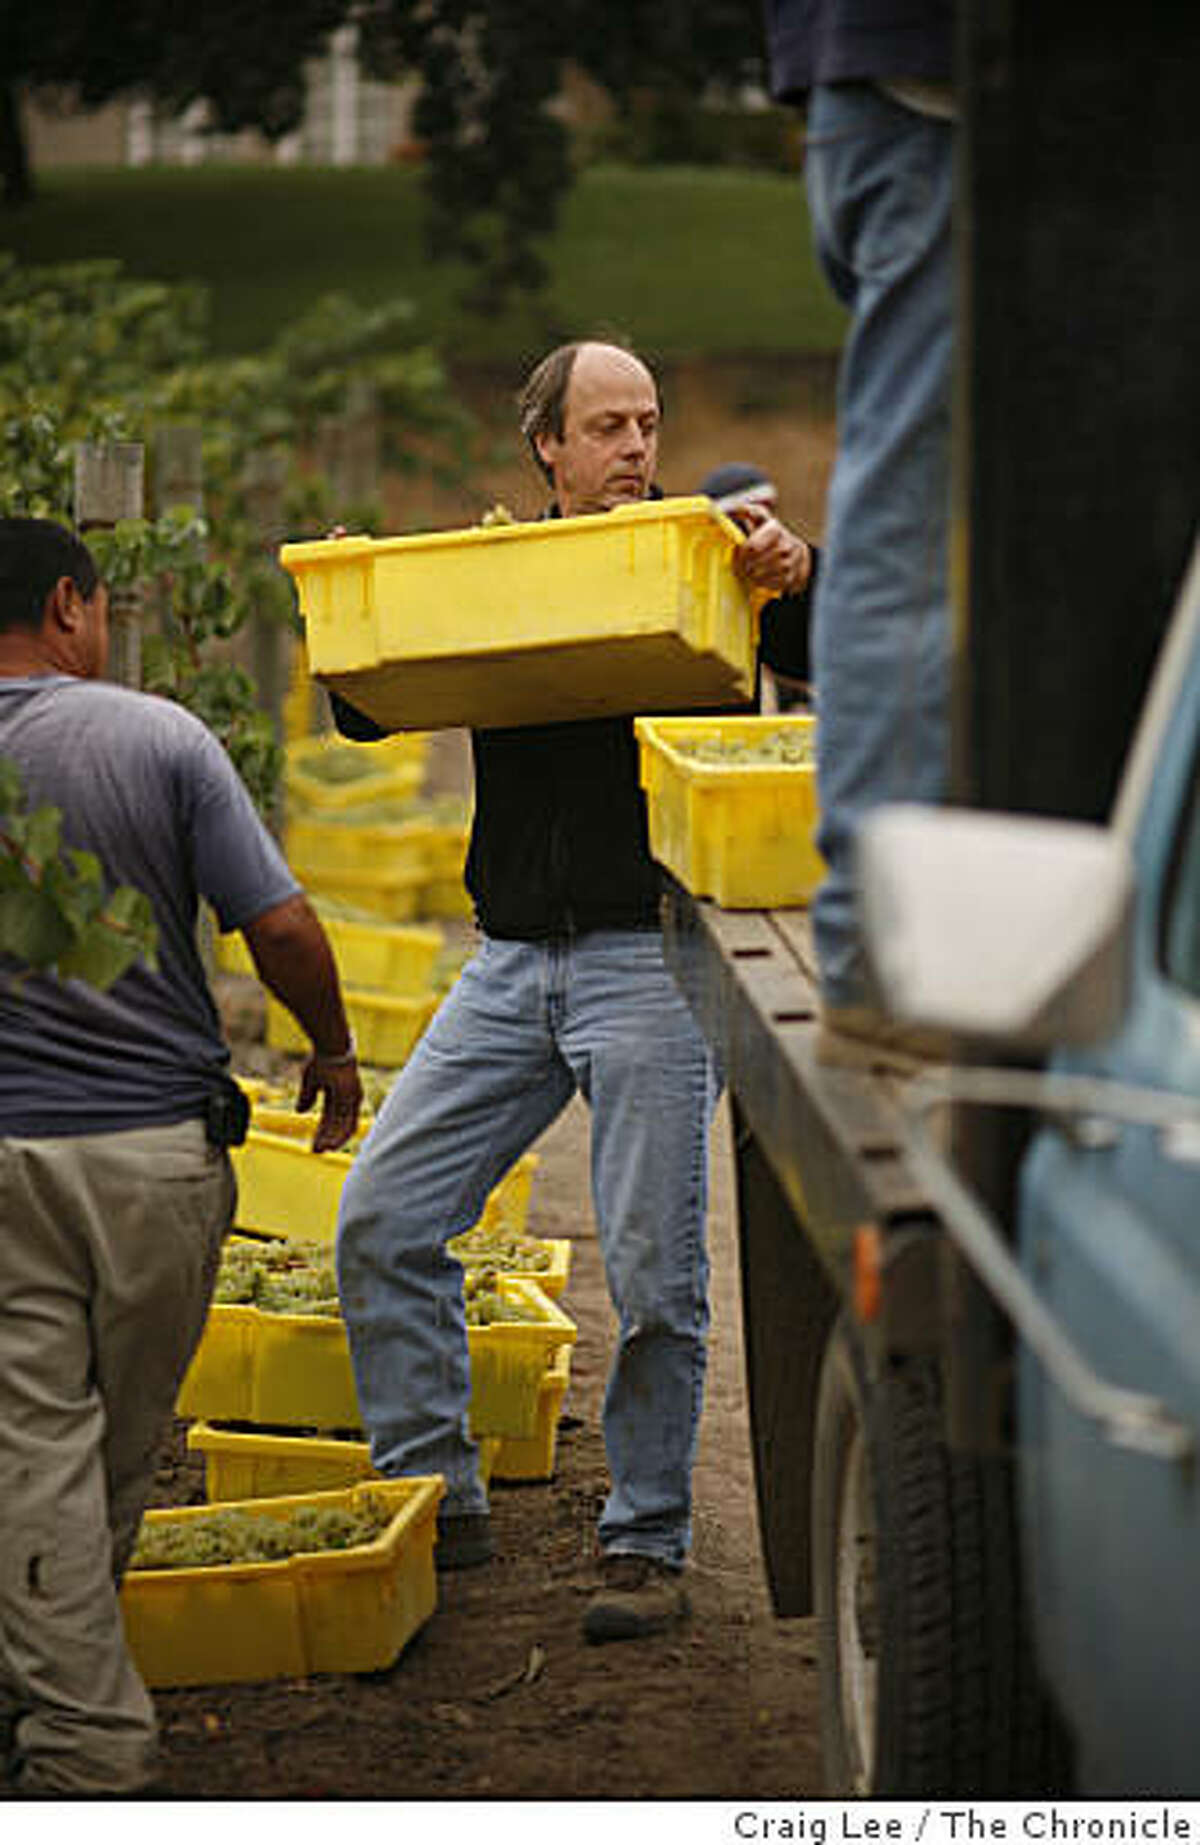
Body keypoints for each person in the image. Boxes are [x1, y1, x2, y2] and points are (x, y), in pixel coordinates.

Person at [332, 339, 814, 1644]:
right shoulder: (501, 575)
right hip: (505, 964)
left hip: (647, 962)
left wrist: (795, 572)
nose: (636, 447)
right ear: (546, 445)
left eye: (647, 422)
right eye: (607, 426)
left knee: (657, 1276)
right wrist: (362, 614)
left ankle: (647, 1540)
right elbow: (365, 712)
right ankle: (437, 1493)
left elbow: (816, 642)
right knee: (383, 1217)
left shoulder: (700, 557)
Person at [0, 516, 362, 1796]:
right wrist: (333, 1050)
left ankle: (59, 1701)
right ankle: (85, 1740)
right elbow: (282, 927)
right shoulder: (158, 737)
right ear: (68, 604)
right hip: (158, 1162)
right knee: (111, 1440)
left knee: (35, 1442)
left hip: (9, 1164)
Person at [763, 0, 956, 1064]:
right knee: (912, 522)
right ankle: (881, 948)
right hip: (948, 91)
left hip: (867, 82)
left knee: (927, 517)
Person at [698, 461, 812, 709]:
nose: (763, 527)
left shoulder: (782, 587)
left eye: (768, 511)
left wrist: (804, 573)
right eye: (743, 518)